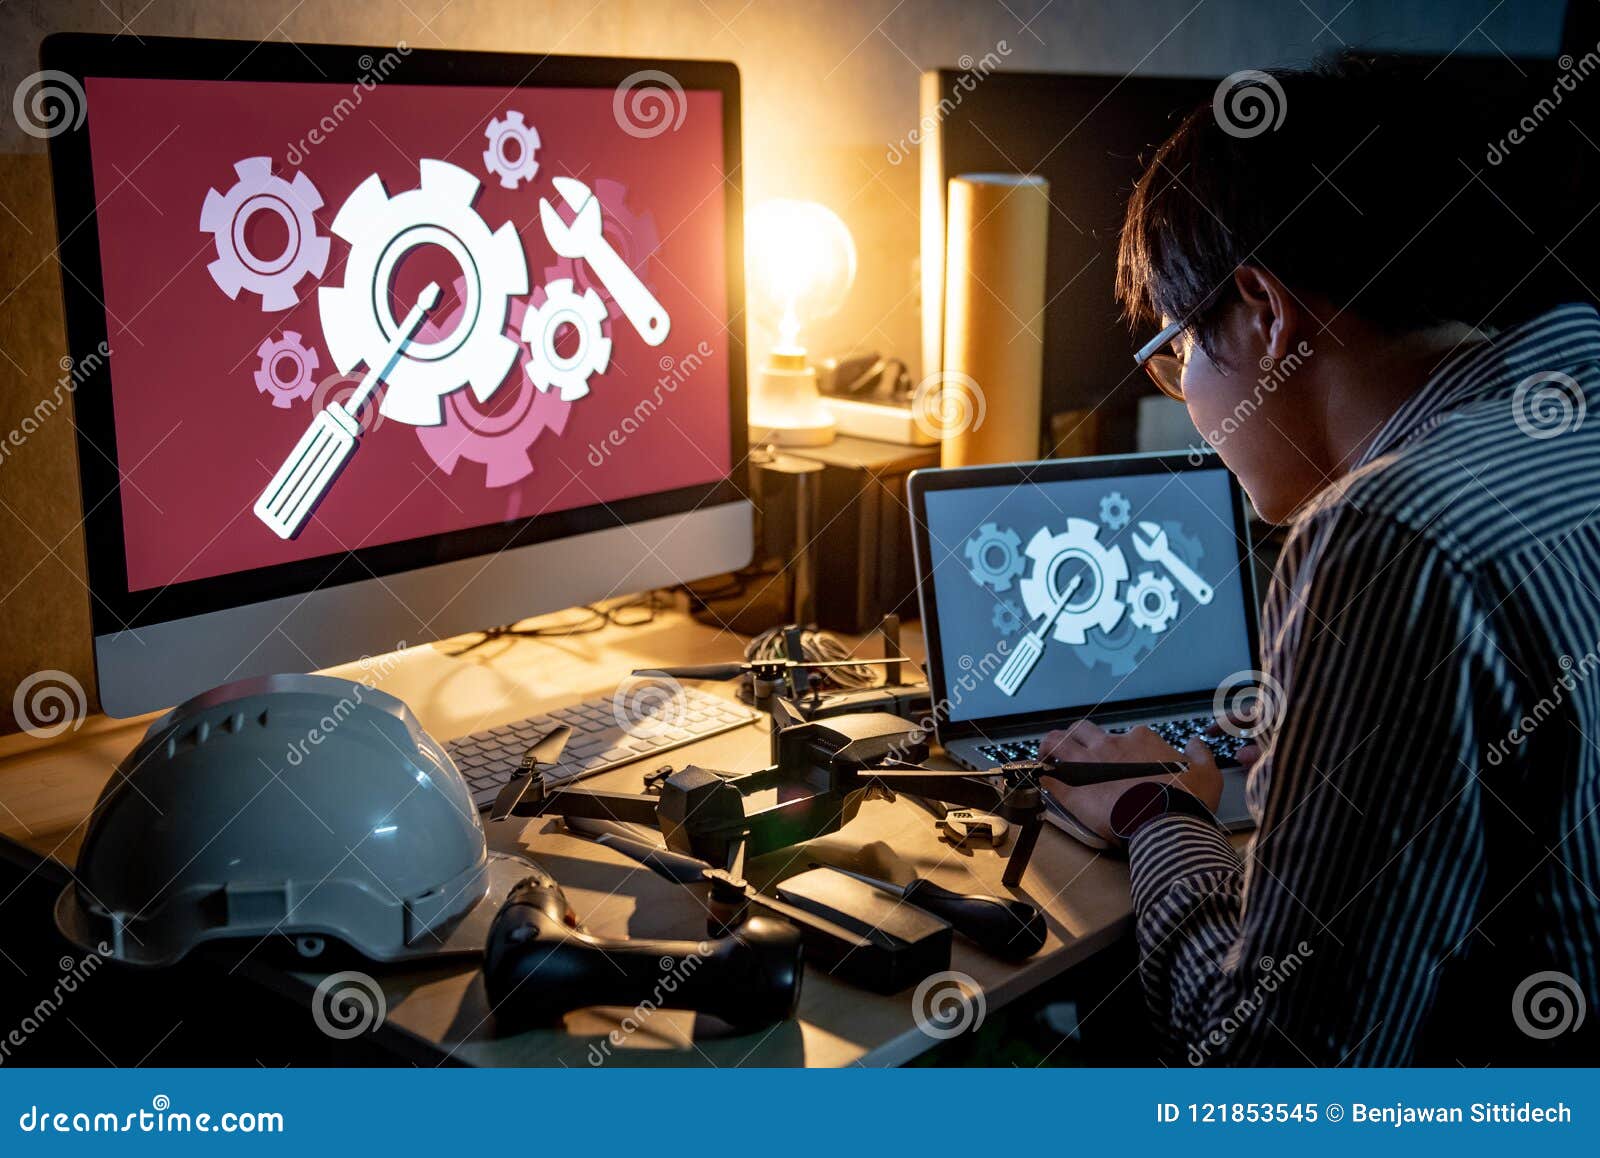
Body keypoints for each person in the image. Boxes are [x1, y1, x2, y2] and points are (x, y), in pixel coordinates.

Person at [1040, 56, 1599, 1064]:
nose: (1187, 400)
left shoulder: (1387, 536)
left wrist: (1158, 811)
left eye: (1174, 351)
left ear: (1263, 308)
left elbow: (1278, 1076)